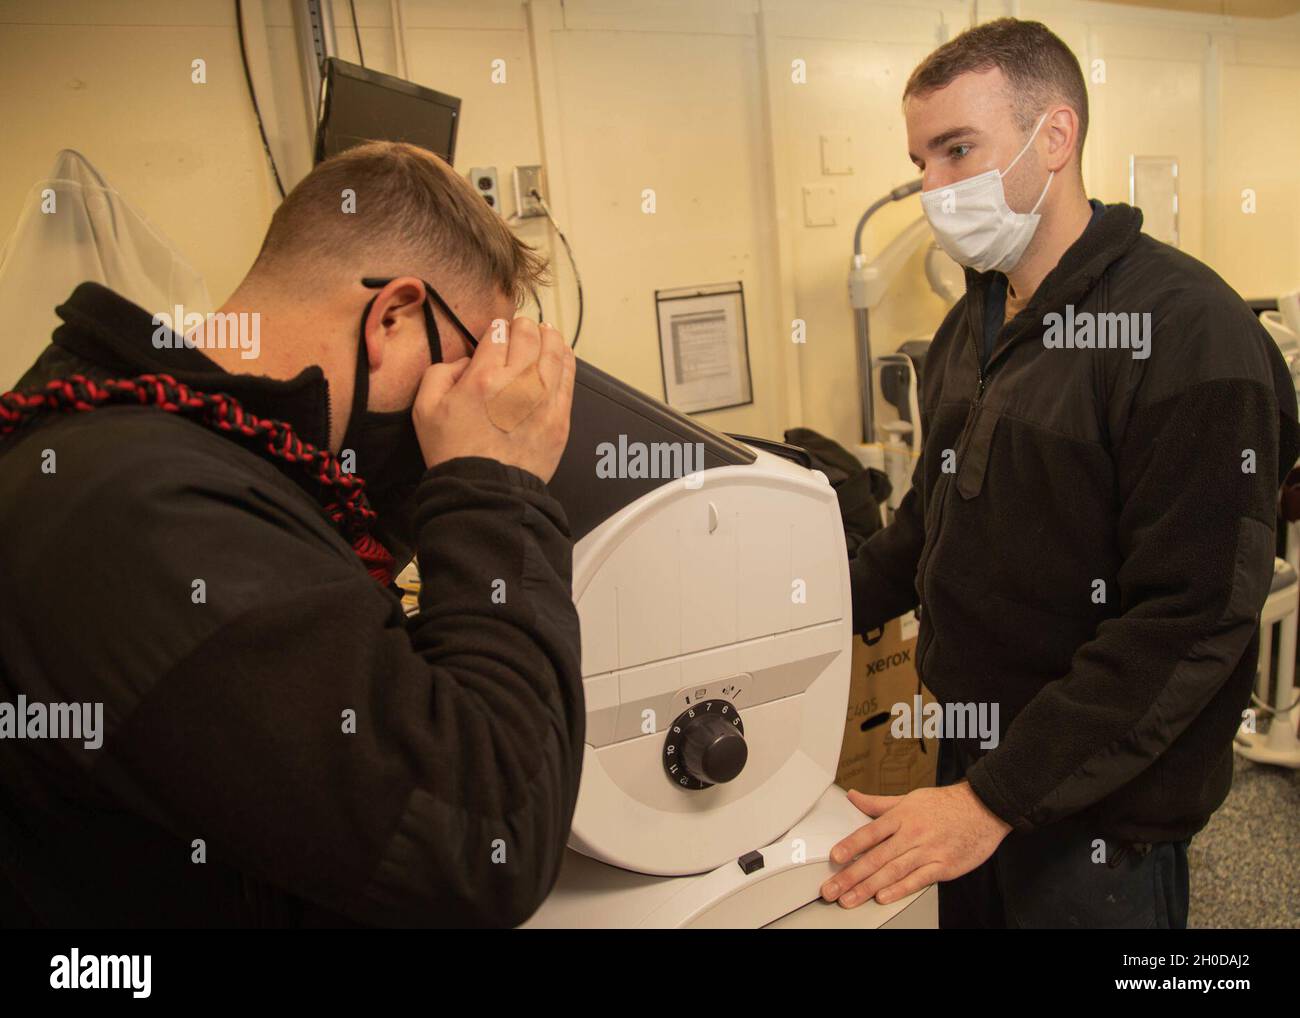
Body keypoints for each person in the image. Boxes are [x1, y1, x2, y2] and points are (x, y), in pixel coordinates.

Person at [0, 141, 582, 928]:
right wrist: (494, 485)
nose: (467, 394)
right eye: (469, 357)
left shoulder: (181, 439)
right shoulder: (157, 511)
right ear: (395, 316)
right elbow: (489, 841)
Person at [822, 18, 1300, 927]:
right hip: (967, 764)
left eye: (958, 150)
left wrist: (995, 800)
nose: (932, 187)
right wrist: (800, 615)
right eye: (921, 160)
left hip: (1095, 812)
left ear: (1056, 136)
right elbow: (929, 524)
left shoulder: (1188, 333)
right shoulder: (974, 324)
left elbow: (1189, 620)